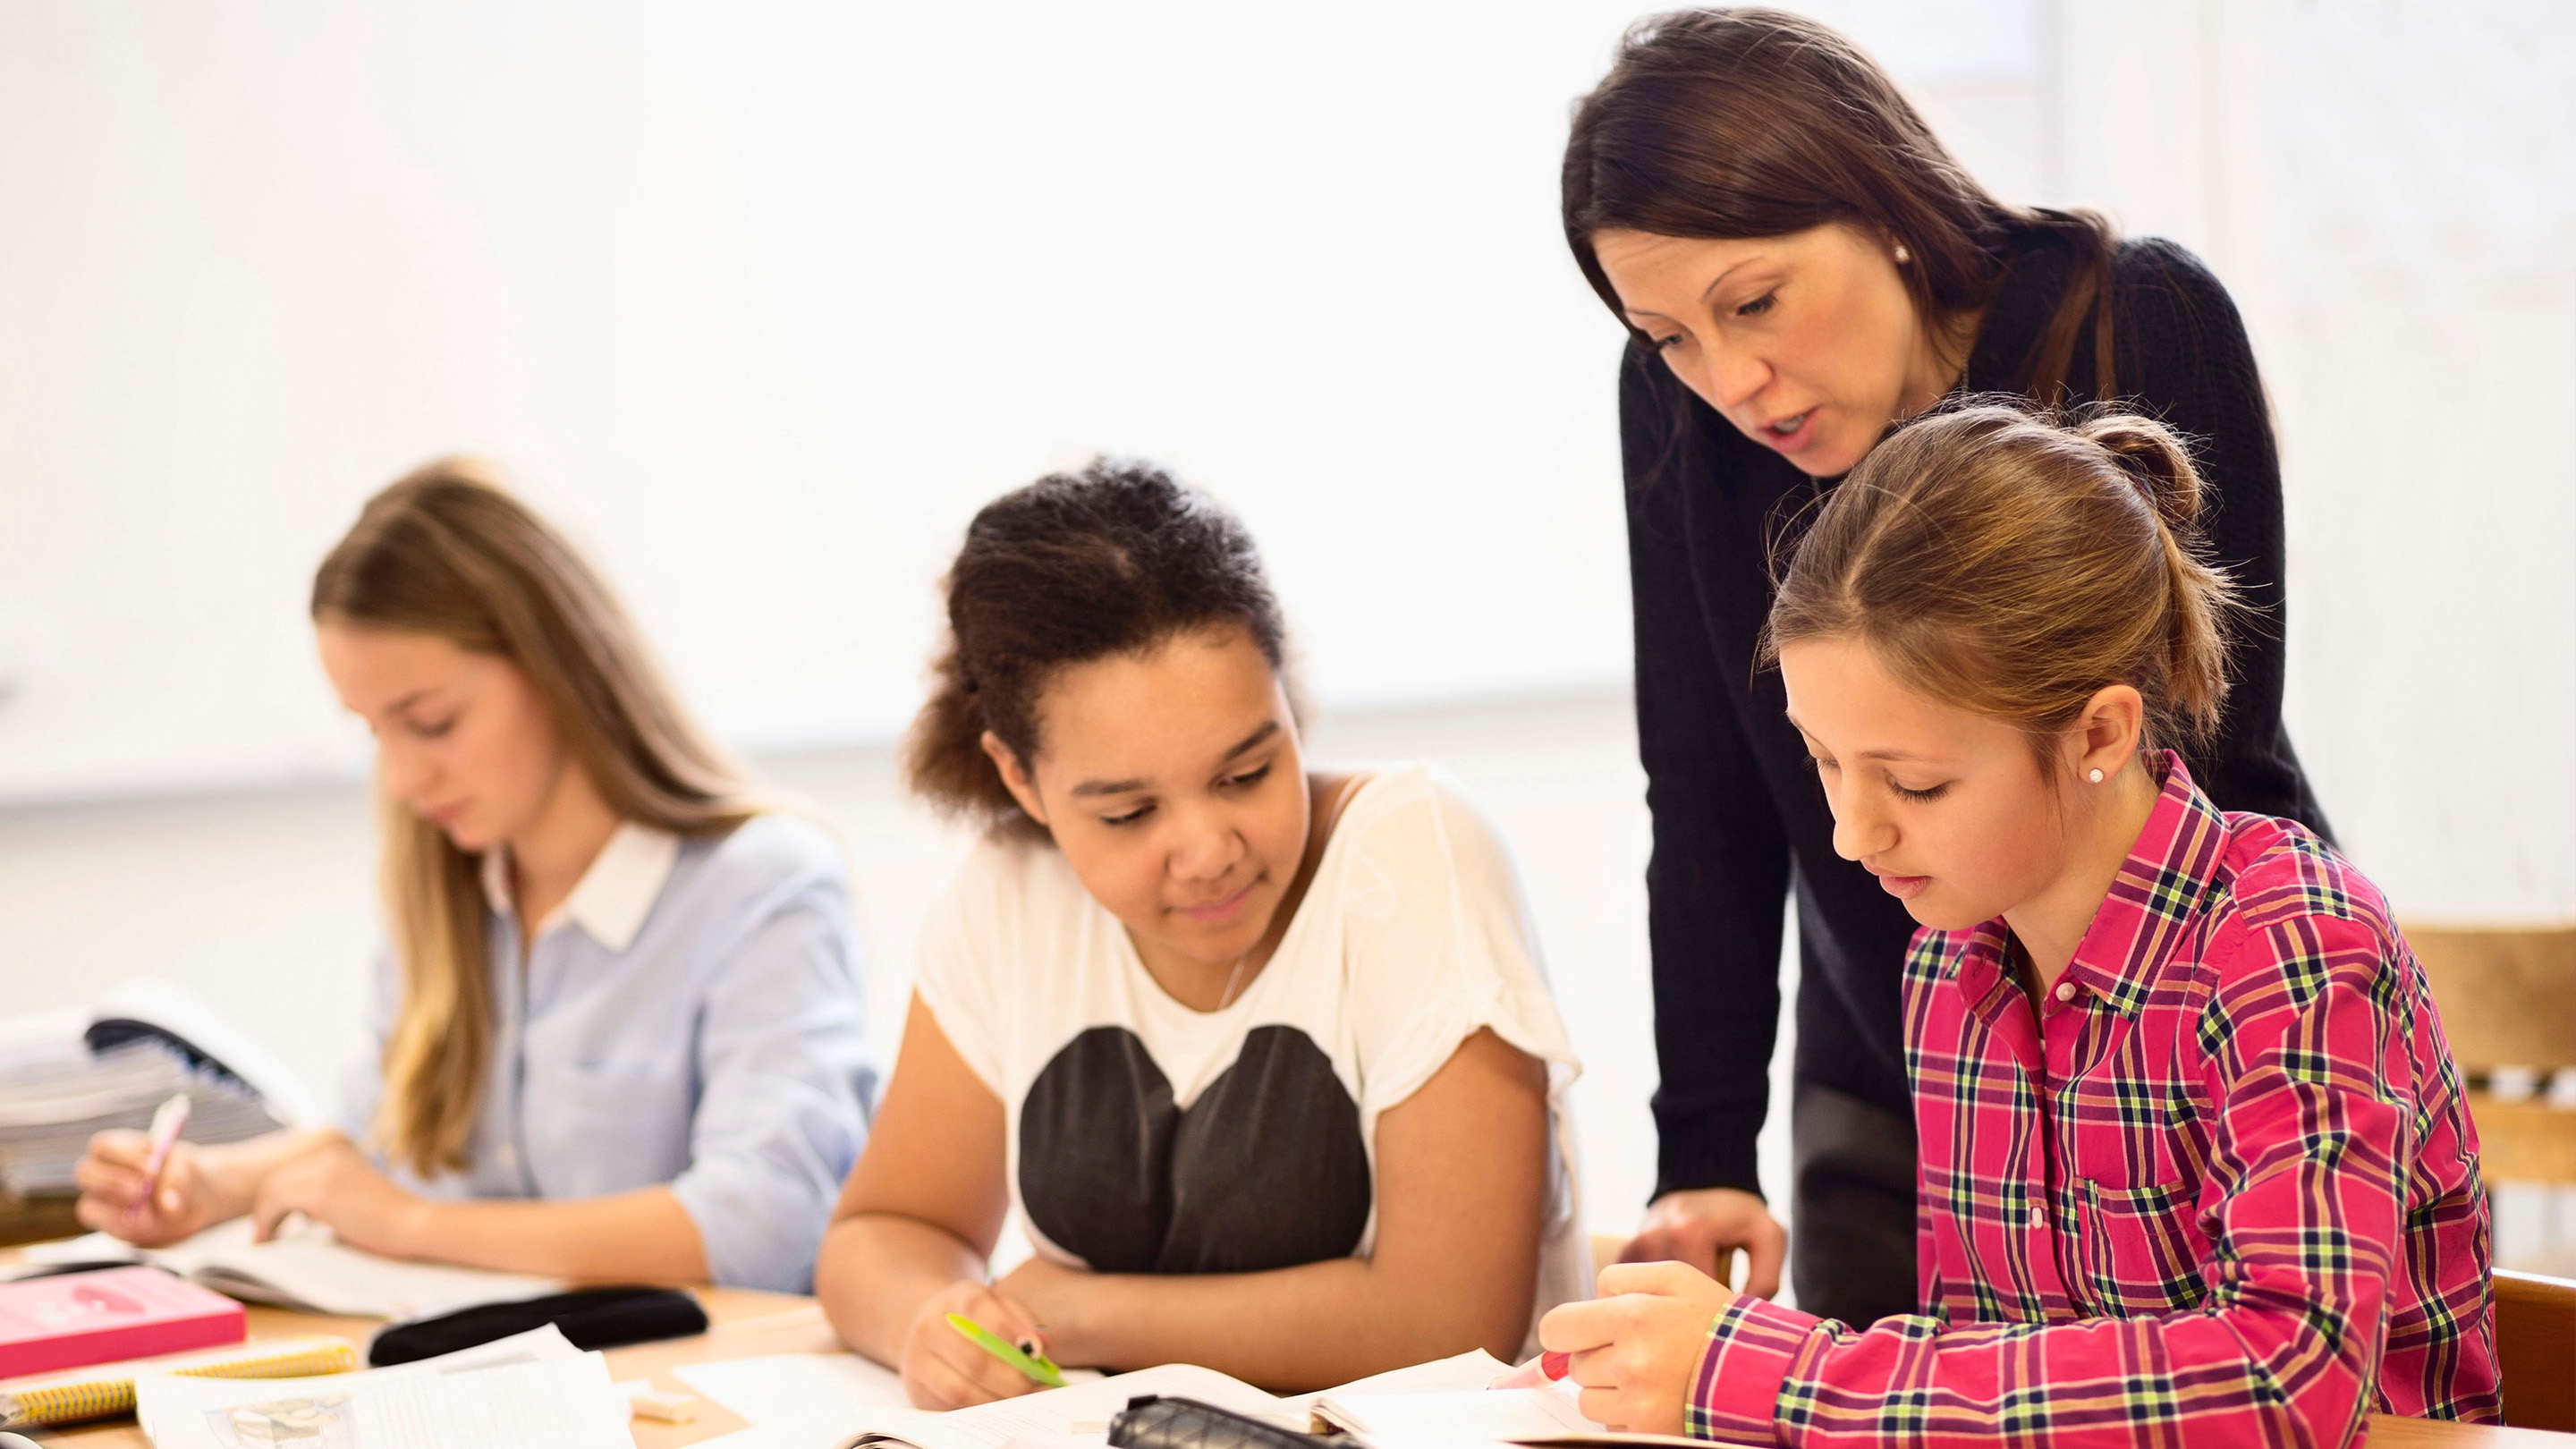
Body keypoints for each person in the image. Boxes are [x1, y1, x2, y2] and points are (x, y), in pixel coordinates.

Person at [1561, 7, 2334, 1324]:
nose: (1729, 378)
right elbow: (1707, 793)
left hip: (2190, 1047)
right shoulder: (1680, 416)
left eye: (1755, 303)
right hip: (1901, 1071)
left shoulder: (2133, 319)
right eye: (1668, 337)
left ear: (1882, 199)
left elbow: (2202, 742)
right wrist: (1703, 1157)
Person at [1539, 403, 2498, 1442]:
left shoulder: (2287, 938)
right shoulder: (1949, 965)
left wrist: (1783, 1377)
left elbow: (2285, 1379)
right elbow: (1992, 1376)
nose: (1855, 836)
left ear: (2098, 732)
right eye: (1825, 762)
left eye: (1915, 784)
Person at [813, 459, 1586, 1408]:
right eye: (1129, 814)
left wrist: (1079, 1314)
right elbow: (881, 1231)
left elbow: (1449, 1321)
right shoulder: (1009, 894)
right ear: (1020, 780)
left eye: (1247, 773)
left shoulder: (1409, 852)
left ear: (1287, 699)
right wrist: (927, 1318)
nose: (1209, 851)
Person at [72, 460, 878, 1293]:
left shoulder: (763, 887)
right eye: (376, 733)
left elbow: (763, 1225)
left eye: (431, 723)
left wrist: (414, 1227)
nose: (403, 780)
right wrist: (216, 1185)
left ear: (557, 666)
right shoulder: (449, 886)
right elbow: (386, 1139)